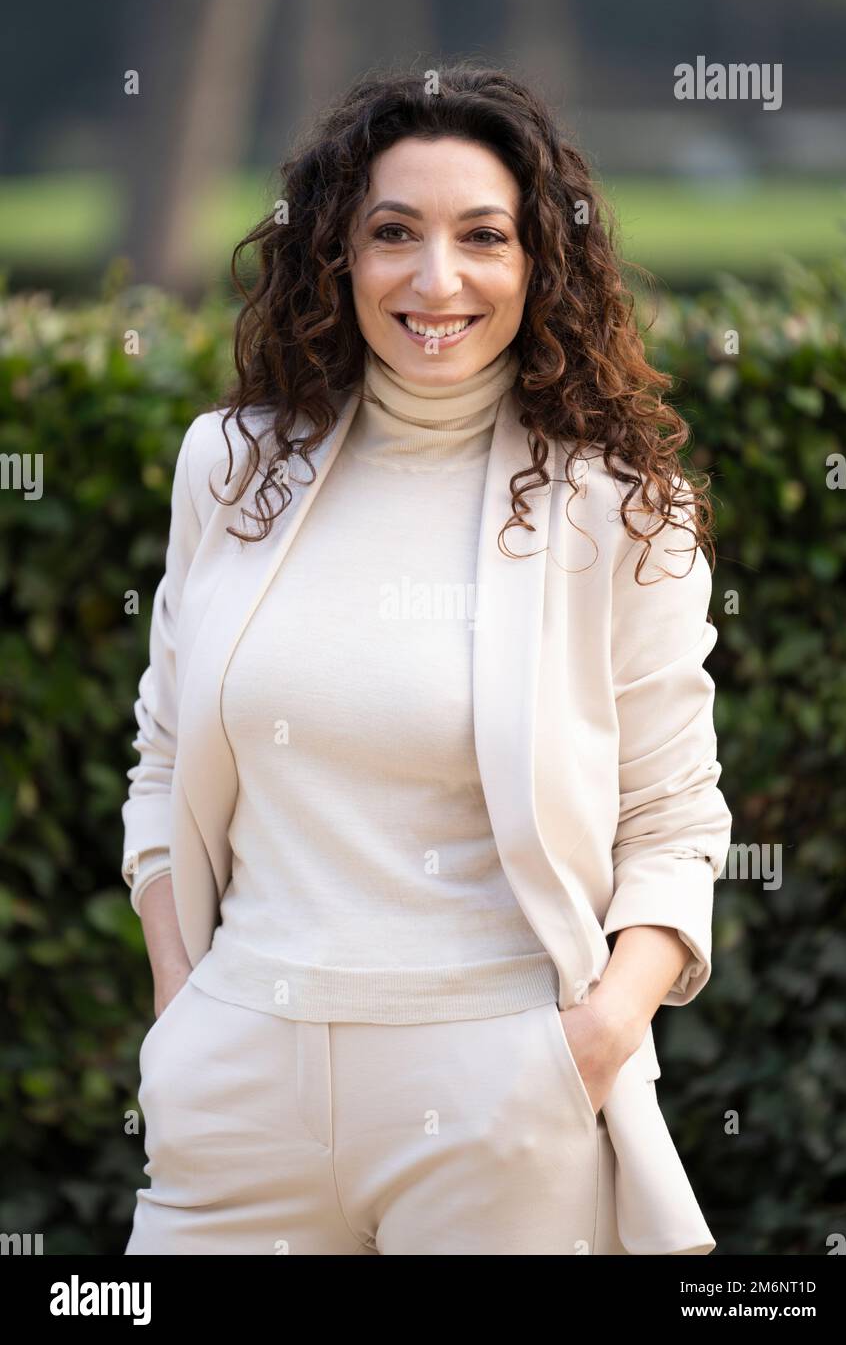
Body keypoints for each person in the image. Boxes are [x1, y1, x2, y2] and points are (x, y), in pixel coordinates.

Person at [121, 62, 733, 1256]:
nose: (434, 278)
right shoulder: (231, 465)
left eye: (483, 236)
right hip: (235, 1082)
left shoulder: (620, 507)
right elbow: (160, 749)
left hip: (501, 1096)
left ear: (538, 264)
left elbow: (672, 819)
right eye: (392, 232)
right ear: (336, 255)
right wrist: (180, 1003)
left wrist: (588, 1042)